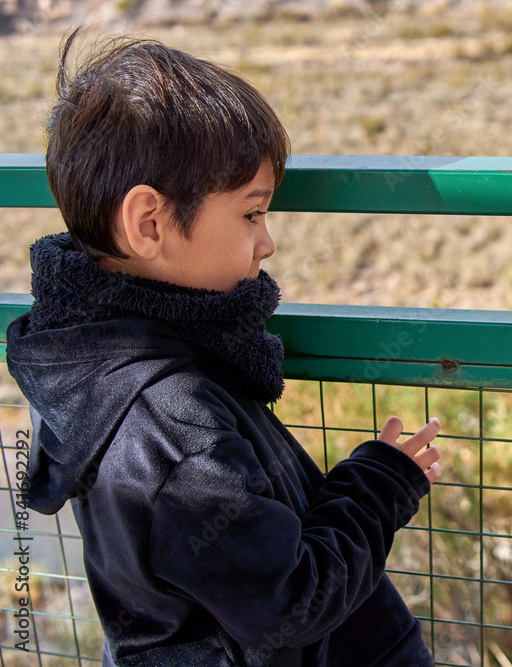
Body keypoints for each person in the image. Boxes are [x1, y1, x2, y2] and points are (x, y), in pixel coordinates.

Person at [5, 31, 442, 666]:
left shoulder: (85, 354)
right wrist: (378, 486)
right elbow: (289, 602)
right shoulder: (173, 423)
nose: (267, 243)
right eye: (251, 213)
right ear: (149, 224)